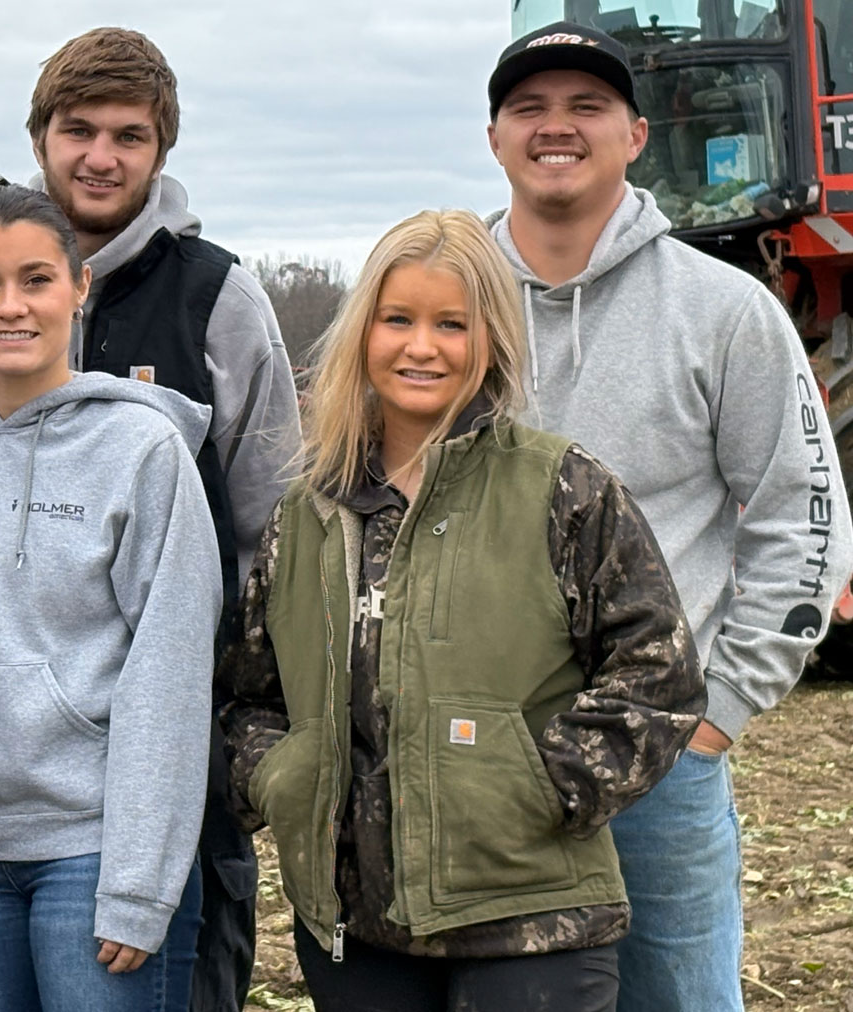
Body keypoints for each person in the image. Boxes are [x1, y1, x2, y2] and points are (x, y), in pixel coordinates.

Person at [0, 29, 298, 1011]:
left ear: (162, 150)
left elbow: (273, 531)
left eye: (130, 134)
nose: (101, 156)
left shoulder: (214, 297)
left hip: (140, 791)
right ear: (41, 138)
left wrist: (232, 729)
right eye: (79, 130)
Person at [219, 208, 706, 1011]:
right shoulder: (306, 516)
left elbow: (660, 674)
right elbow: (245, 694)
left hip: (532, 922)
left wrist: (533, 787)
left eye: (453, 323)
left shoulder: (565, 490)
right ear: (363, 333)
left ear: (493, 341)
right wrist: (284, 776)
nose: (422, 345)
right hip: (353, 929)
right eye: (398, 319)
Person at [483, 23, 853, 1011]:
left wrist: (716, 715)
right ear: (493, 137)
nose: (556, 127)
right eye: (530, 107)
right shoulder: (445, 306)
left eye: (587, 106)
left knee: (678, 997)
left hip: (662, 761)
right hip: (478, 756)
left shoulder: (725, 312)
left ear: (637, 134)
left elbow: (801, 516)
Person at [0, 179, 218, 1011]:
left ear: (78, 288)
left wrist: (139, 881)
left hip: (91, 854)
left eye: (35, 279)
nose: (11, 306)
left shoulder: (144, 450)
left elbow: (168, 678)